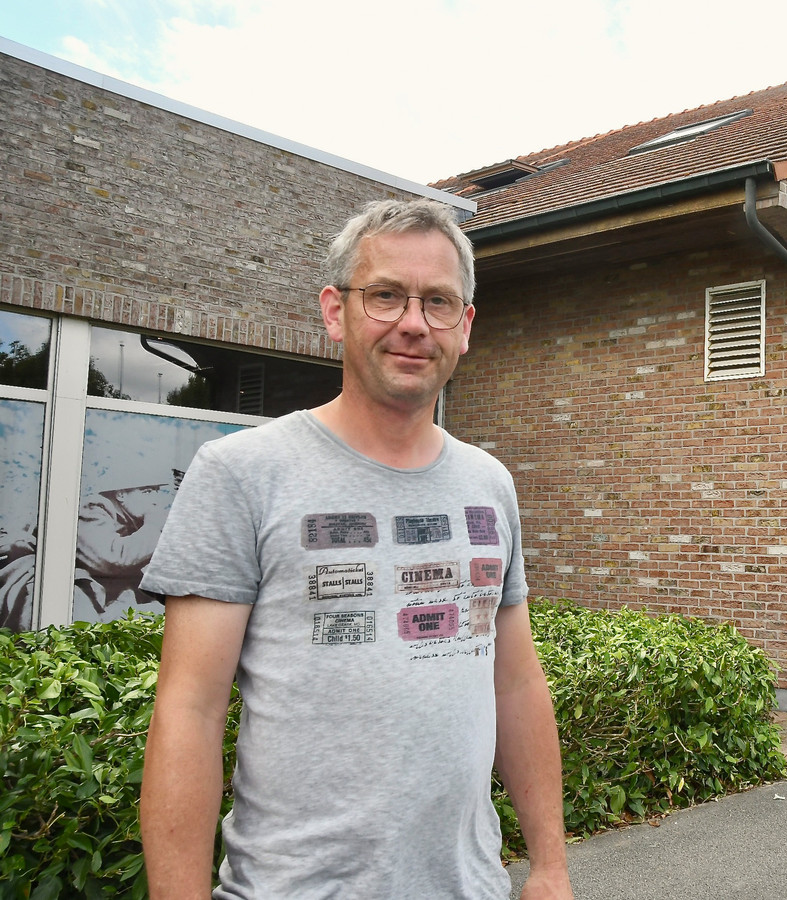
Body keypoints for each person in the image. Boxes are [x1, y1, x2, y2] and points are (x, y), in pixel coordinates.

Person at [139, 199, 572, 899]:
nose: (411, 322)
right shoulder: (243, 473)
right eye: (385, 295)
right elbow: (189, 708)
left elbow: (516, 684)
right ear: (336, 311)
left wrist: (550, 866)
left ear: (463, 328)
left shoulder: (489, 483)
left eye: (437, 302)